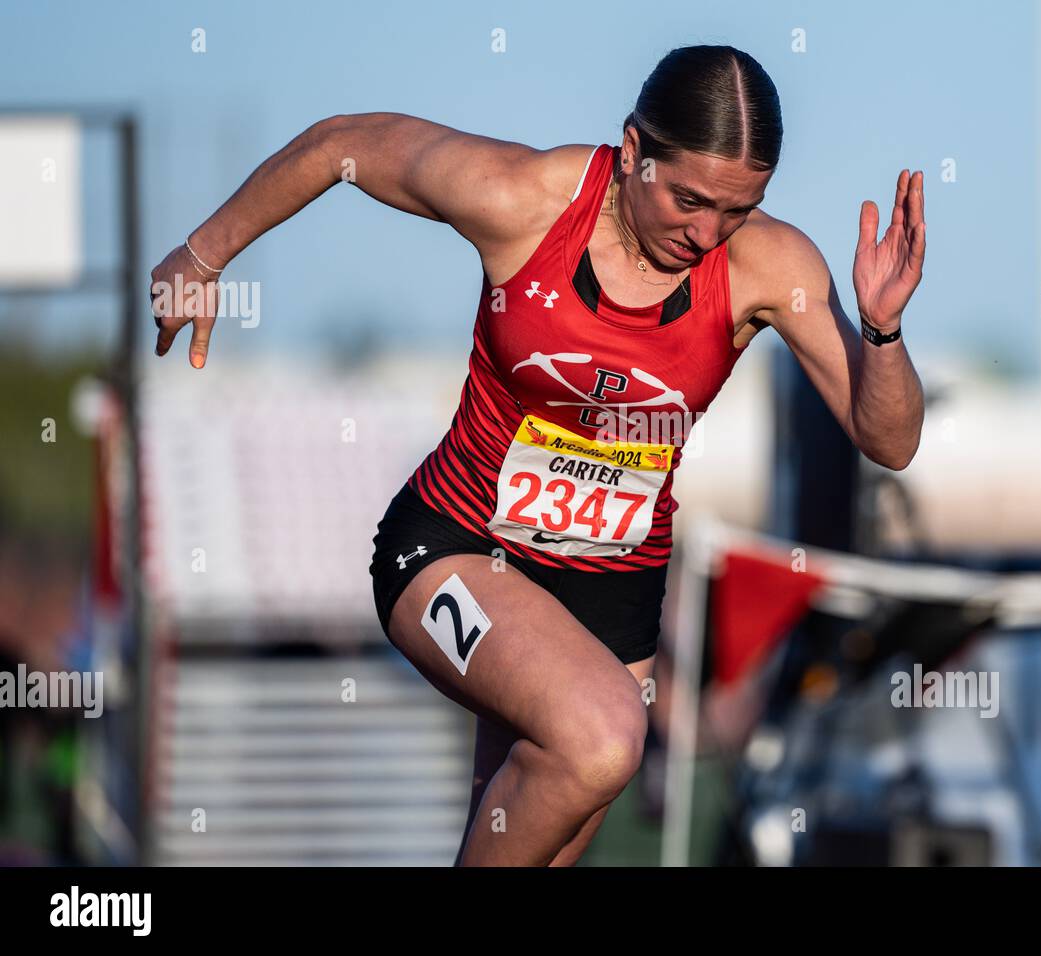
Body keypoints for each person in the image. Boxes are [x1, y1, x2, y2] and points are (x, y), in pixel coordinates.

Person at [149, 44, 926, 866]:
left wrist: (881, 330)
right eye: (690, 200)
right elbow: (343, 141)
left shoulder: (769, 265)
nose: (706, 234)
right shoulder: (521, 199)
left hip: (611, 591)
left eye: (737, 209)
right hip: (456, 546)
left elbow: (890, 439)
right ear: (633, 153)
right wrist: (203, 256)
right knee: (602, 740)